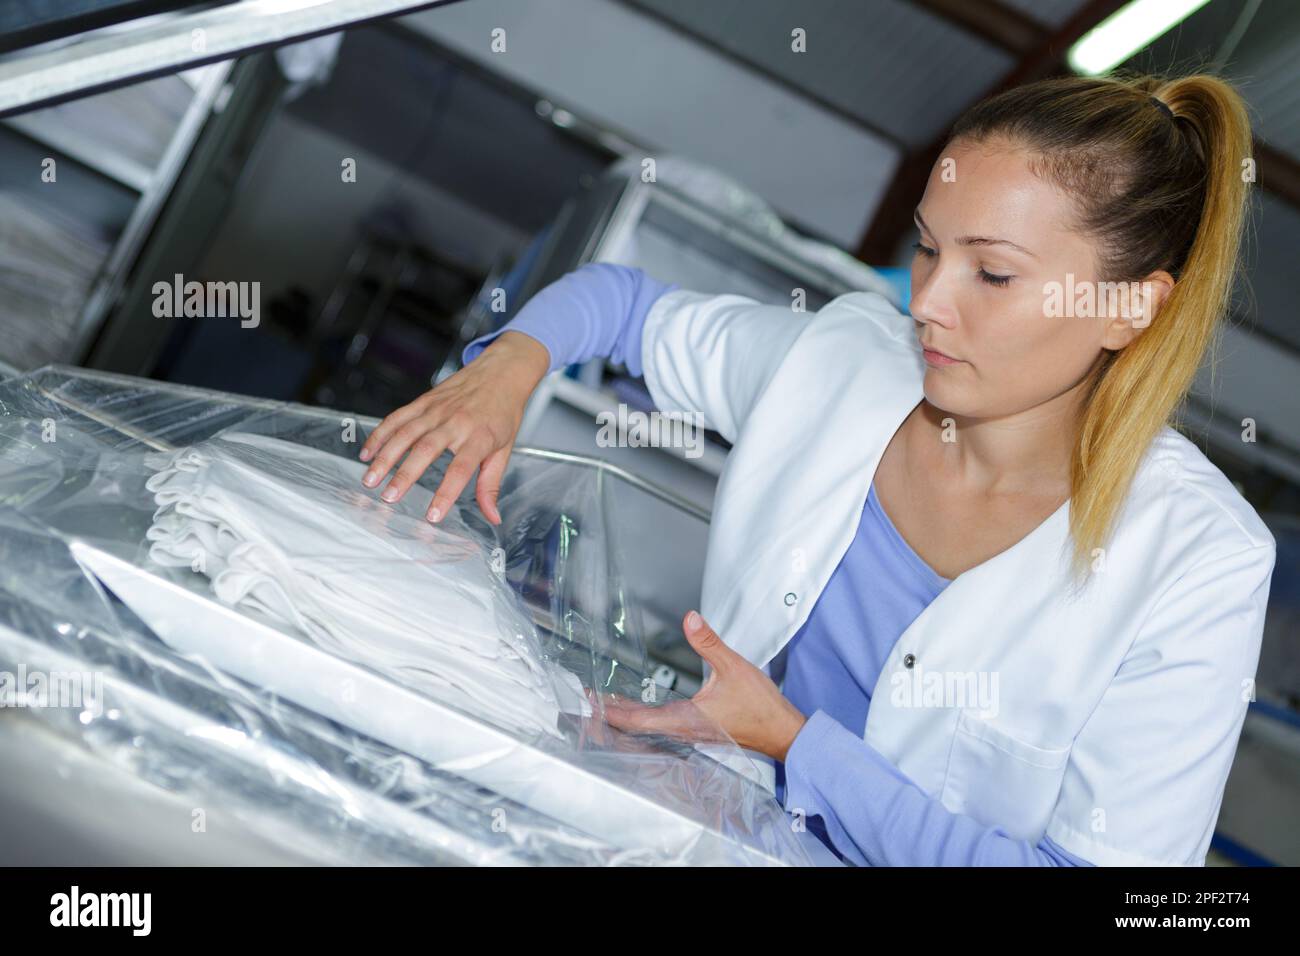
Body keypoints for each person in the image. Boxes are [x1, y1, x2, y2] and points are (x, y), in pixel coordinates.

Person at [357, 74, 1276, 866]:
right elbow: (620, 304)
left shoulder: (1196, 559)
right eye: (927, 248)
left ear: (1127, 307)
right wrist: (507, 369)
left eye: (991, 275)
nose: (928, 305)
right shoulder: (848, 363)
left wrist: (796, 746)